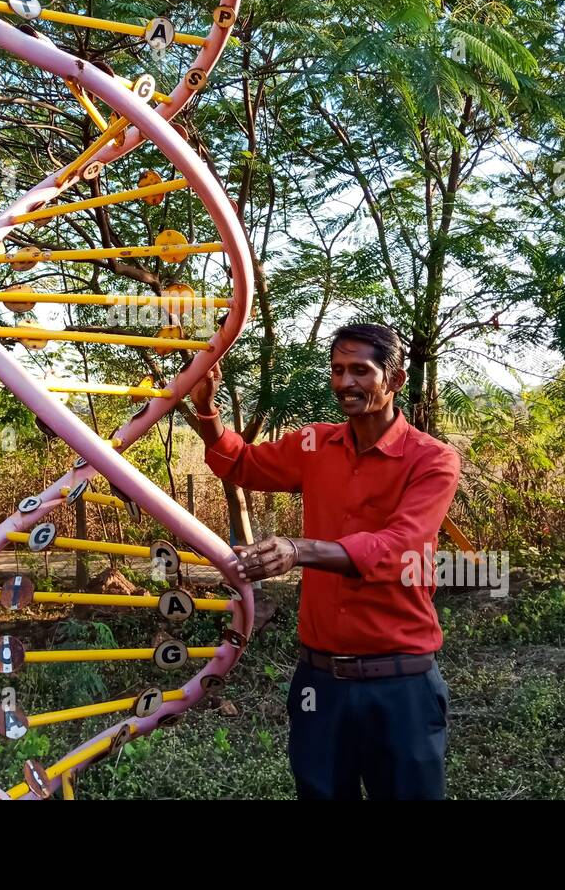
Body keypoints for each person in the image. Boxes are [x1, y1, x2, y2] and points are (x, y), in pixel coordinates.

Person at [189, 322, 460, 800]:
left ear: (394, 379)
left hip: (401, 686)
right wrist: (206, 409)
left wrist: (300, 550)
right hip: (320, 683)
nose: (345, 382)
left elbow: (401, 546)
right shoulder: (315, 444)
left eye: (360, 370)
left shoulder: (431, 459)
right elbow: (242, 464)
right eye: (337, 370)